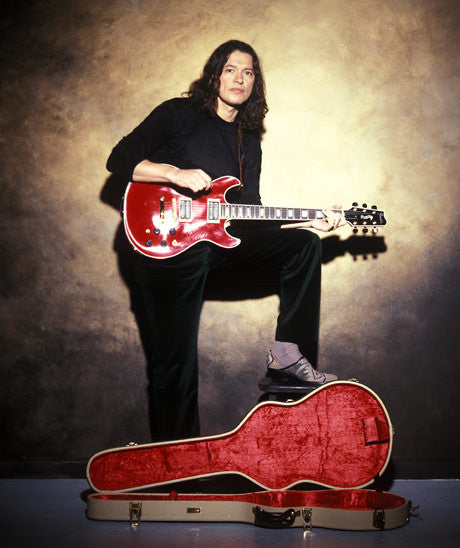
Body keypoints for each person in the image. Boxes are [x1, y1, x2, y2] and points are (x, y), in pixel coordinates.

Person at [106, 40, 345, 441]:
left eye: (248, 72)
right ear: (215, 75)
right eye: (231, 69)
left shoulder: (246, 139)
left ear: (255, 83)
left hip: (214, 246)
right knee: (174, 363)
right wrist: (173, 173)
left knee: (305, 246)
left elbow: (250, 215)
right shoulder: (178, 113)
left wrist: (311, 220)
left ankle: (287, 358)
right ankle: (178, 460)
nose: (239, 79)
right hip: (163, 245)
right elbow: (119, 159)